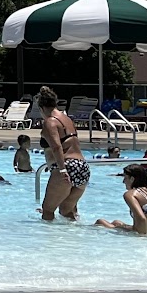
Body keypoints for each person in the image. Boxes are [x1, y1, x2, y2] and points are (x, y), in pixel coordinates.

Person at [37, 86, 91, 222]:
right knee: (66, 210)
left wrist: (62, 169)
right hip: (82, 167)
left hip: (66, 166)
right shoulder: (67, 119)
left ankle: (48, 243)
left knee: (47, 211)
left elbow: (56, 146)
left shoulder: (50, 121)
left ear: (42, 108)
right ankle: (72, 240)